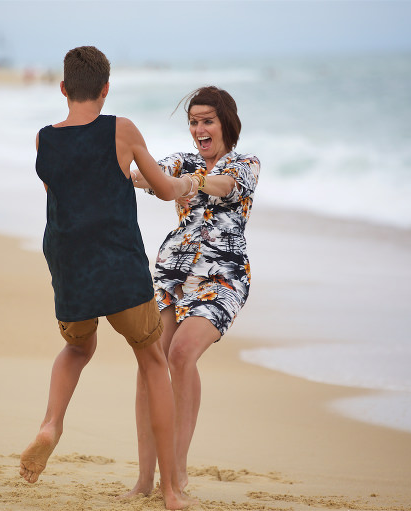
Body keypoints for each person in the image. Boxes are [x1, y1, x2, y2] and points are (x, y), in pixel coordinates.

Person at [18, 46, 197, 510]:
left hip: (68, 263)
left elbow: (61, 194)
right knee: (152, 360)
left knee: (78, 348)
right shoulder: (121, 129)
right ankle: (172, 491)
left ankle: (50, 424)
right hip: (118, 264)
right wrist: (186, 185)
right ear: (106, 89)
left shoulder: (44, 139)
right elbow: (162, 190)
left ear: (63, 89)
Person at [124, 86, 260, 497]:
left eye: (207, 121)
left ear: (225, 124)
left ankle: (176, 475)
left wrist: (190, 184)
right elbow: (149, 175)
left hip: (222, 278)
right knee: (150, 363)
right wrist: (123, 174)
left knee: (180, 354)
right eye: (194, 122)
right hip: (172, 274)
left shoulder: (245, 164)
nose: (199, 129)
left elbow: (221, 186)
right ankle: (146, 480)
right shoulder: (180, 159)